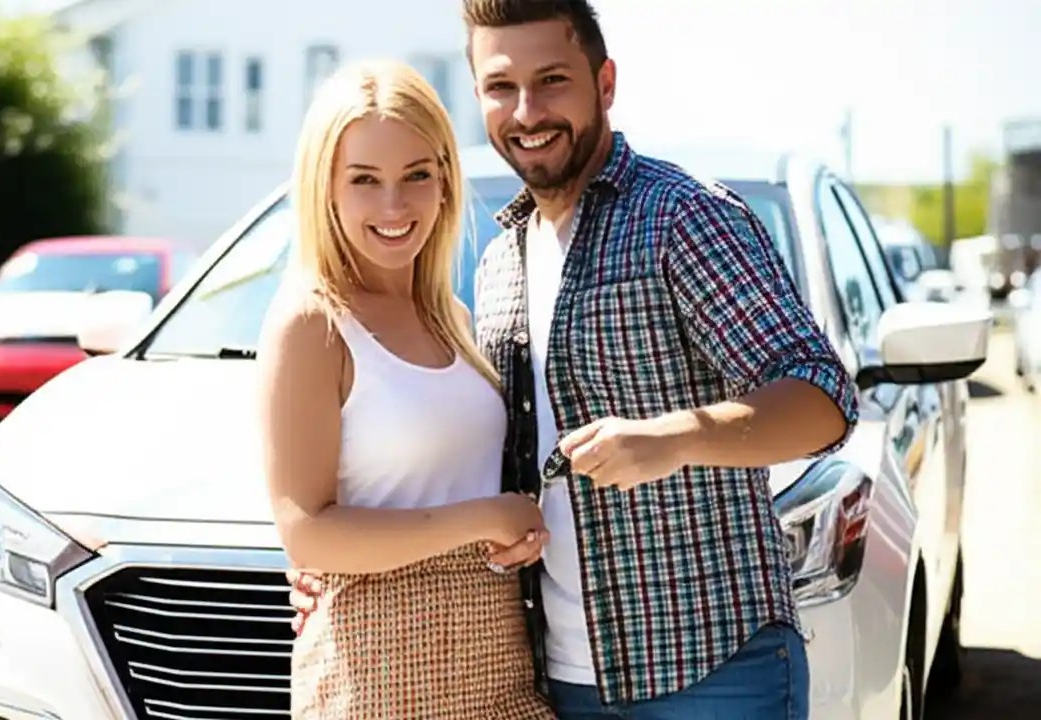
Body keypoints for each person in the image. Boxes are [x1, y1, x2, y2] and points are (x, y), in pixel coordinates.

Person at [289, 2, 861, 718]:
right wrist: (325, 559)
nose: (527, 112)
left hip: (711, 669)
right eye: (502, 87)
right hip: (553, 678)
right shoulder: (498, 266)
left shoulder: (682, 218)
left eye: (552, 81)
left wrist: (674, 438)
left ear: (605, 83)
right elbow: (456, 456)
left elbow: (822, 397)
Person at [257, 59, 556, 718]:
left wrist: (516, 529)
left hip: (493, 659)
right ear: (326, 188)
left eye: (417, 175)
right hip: (376, 674)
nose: (394, 206)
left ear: (445, 182)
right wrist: (486, 518)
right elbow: (307, 534)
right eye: (365, 180)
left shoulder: (454, 319)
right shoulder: (312, 321)